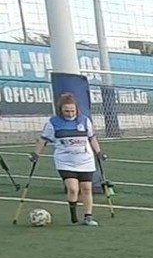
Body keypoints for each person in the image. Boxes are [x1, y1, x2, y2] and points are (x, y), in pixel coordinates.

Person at [31, 93, 106, 226]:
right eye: (67, 111)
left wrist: (99, 152)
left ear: (77, 109)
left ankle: (88, 216)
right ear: (61, 110)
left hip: (85, 160)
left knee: (87, 188)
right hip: (65, 160)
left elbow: (92, 138)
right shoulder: (53, 122)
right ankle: (73, 214)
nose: (70, 114)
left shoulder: (84, 120)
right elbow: (44, 140)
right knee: (72, 188)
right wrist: (36, 154)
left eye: (72, 110)